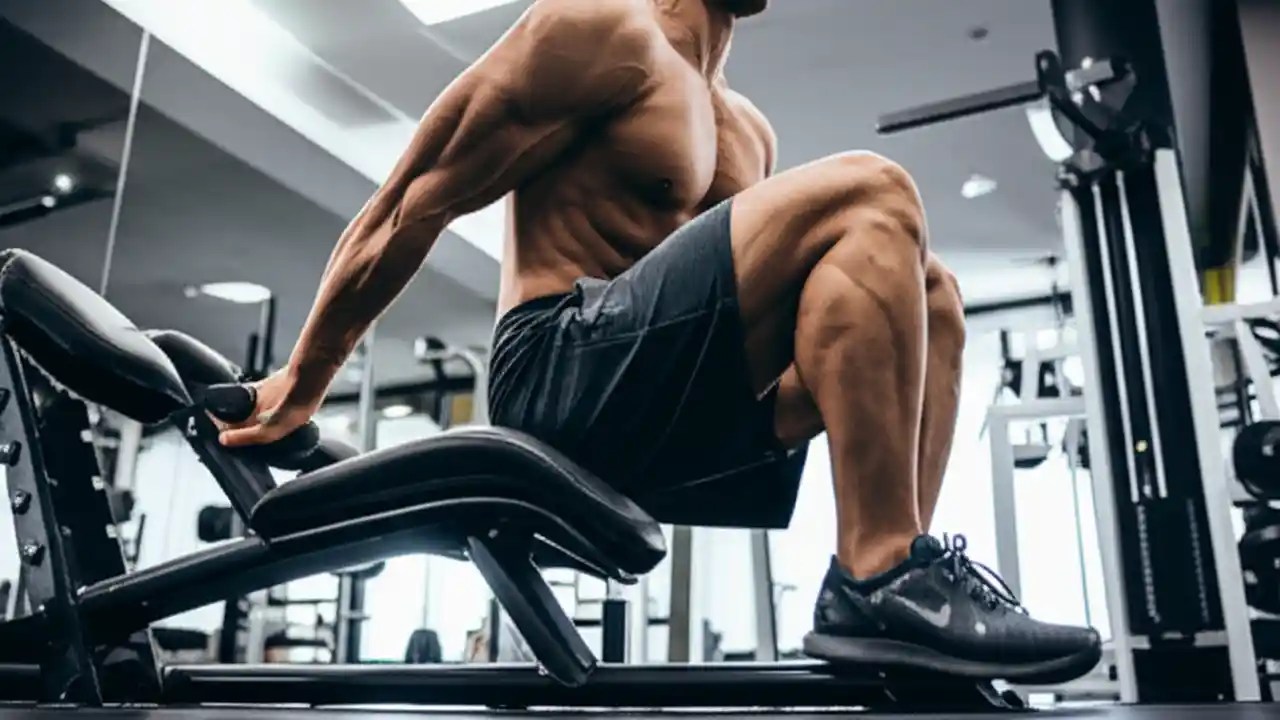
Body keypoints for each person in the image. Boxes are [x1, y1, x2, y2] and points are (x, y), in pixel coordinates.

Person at [214, 0, 1100, 681]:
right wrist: (305, 377)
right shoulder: (599, 28)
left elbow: (775, 312)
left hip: (664, 409)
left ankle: (892, 584)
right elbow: (415, 197)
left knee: (931, 291)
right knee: (876, 191)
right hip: (556, 377)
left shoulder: (744, 127)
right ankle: (881, 575)